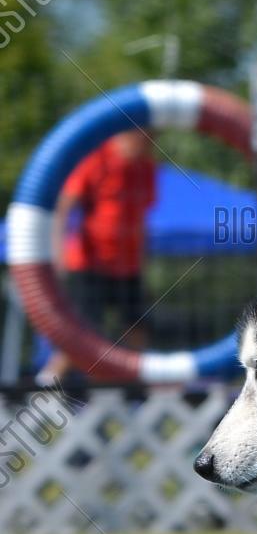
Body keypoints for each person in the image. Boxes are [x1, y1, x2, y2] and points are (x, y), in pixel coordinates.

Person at [40, 128, 157, 383]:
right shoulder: (96, 160)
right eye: (147, 137)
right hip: (89, 265)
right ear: (128, 134)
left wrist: (143, 265)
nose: (150, 144)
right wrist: (59, 254)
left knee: (138, 328)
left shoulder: (146, 168)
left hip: (128, 268)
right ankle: (47, 383)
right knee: (82, 331)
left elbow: (142, 221)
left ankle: (138, 390)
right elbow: (63, 208)